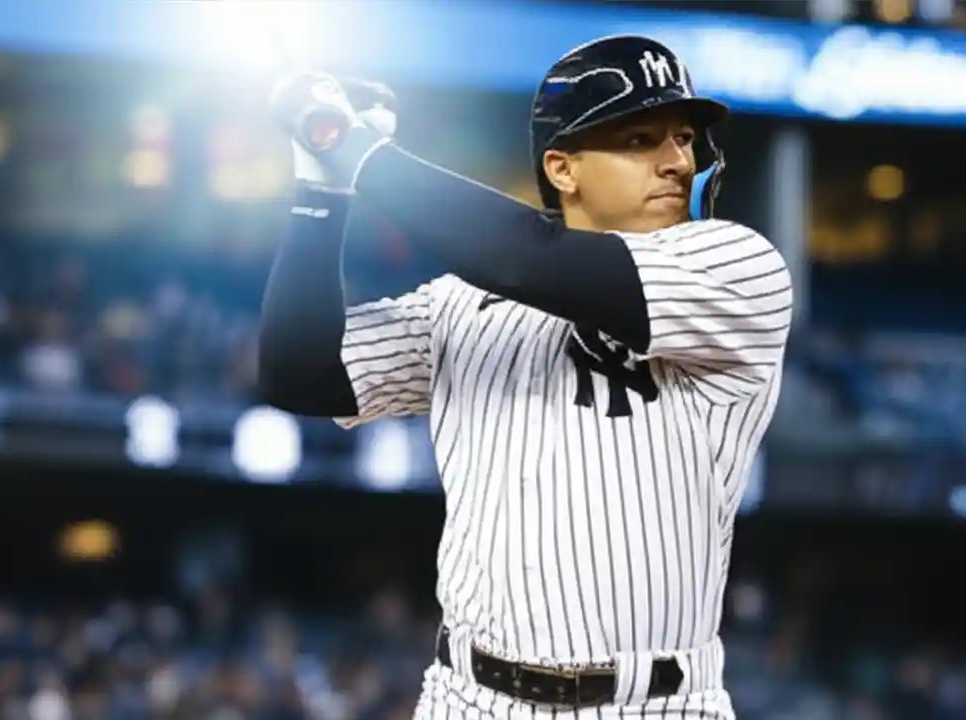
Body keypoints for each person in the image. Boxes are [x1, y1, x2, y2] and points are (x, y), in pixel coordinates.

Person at [258, 35, 793, 718]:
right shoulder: (461, 302)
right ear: (562, 169)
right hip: (468, 695)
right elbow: (299, 375)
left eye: (684, 138)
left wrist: (350, 144)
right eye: (640, 140)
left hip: (653, 701)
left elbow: (521, 256)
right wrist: (322, 190)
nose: (677, 162)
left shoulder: (738, 267)